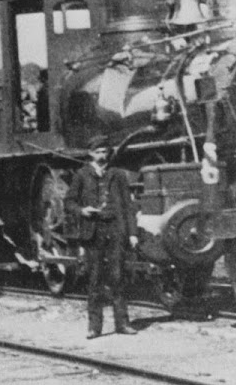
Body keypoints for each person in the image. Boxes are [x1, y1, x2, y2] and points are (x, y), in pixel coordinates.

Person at [65, 135, 139, 339]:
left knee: (118, 277)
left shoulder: (118, 175)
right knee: (95, 279)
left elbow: (128, 206)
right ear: (90, 154)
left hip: (115, 230)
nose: (102, 156)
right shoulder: (81, 175)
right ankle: (94, 327)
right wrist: (82, 210)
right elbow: (69, 202)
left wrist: (132, 233)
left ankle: (122, 323)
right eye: (98, 152)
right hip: (93, 232)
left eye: (105, 152)